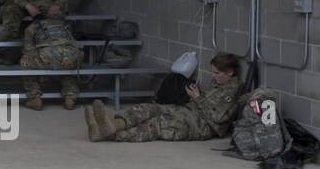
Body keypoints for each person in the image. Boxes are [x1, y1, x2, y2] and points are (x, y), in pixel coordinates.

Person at [87, 53, 243, 143]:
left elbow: (217, 118)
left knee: (158, 124)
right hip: (190, 111)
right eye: (213, 72)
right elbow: (209, 103)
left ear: (230, 72)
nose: (213, 76)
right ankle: (113, 123)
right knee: (150, 108)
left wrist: (198, 99)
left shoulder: (232, 92)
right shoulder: (220, 84)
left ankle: (110, 133)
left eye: (217, 73)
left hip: (202, 126)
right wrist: (198, 94)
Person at [19, 4, 81, 110]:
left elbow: (29, 49)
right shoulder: (65, 26)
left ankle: (34, 97)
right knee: (68, 65)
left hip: (48, 56)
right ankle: (70, 96)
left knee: (25, 62)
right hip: (70, 57)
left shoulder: (33, 27)